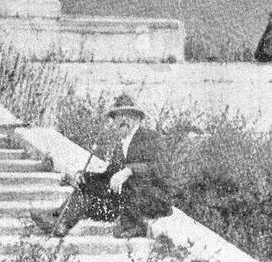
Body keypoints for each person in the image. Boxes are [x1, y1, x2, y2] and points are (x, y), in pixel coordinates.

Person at [30, 94, 173, 240]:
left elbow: (160, 167)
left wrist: (129, 170)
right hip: (126, 200)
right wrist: (84, 177)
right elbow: (108, 177)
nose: (123, 119)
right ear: (114, 120)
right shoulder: (120, 146)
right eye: (118, 115)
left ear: (137, 119)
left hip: (150, 201)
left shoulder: (150, 137)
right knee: (85, 188)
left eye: (128, 115)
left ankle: (61, 220)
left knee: (115, 212)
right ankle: (60, 221)